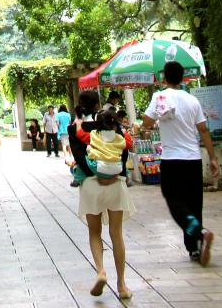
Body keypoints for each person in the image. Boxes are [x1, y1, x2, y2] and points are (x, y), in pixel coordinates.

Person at [141, 60, 219, 265]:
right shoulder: (192, 100)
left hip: (172, 160)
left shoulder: (160, 97)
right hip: (193, 159)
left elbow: (147, 123)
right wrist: (212, 158)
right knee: (194, 204)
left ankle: (200, 234)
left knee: (175, 201)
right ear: (183, 78)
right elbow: (203, 130)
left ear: (164, 78)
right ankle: (194, 248)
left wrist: (152, 120)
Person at [69, 89, 134, 299]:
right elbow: (123, 153)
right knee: (116, 234)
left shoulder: (75, 127)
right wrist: (113, 175)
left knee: (94, 233)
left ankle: (100, 271)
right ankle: (122, 285)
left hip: (90, 184)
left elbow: (79, 158)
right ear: (99, 105)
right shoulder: (110, 123)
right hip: (115, 183)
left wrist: (95, 174)